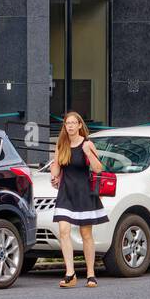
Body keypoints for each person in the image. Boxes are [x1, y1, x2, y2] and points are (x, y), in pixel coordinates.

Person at [50, 111, 109, 288]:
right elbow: (56, 165)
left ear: (79, 125)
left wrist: (88, 153)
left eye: (73, 123)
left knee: (86, 234)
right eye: (67, 123)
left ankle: (91, 275)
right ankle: (70, 273)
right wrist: (54, 177)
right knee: (63, 230)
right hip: (66, 192)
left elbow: (99, 169)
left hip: (84, 192)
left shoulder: (87, 143)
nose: (70, 126)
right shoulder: (61, 144)